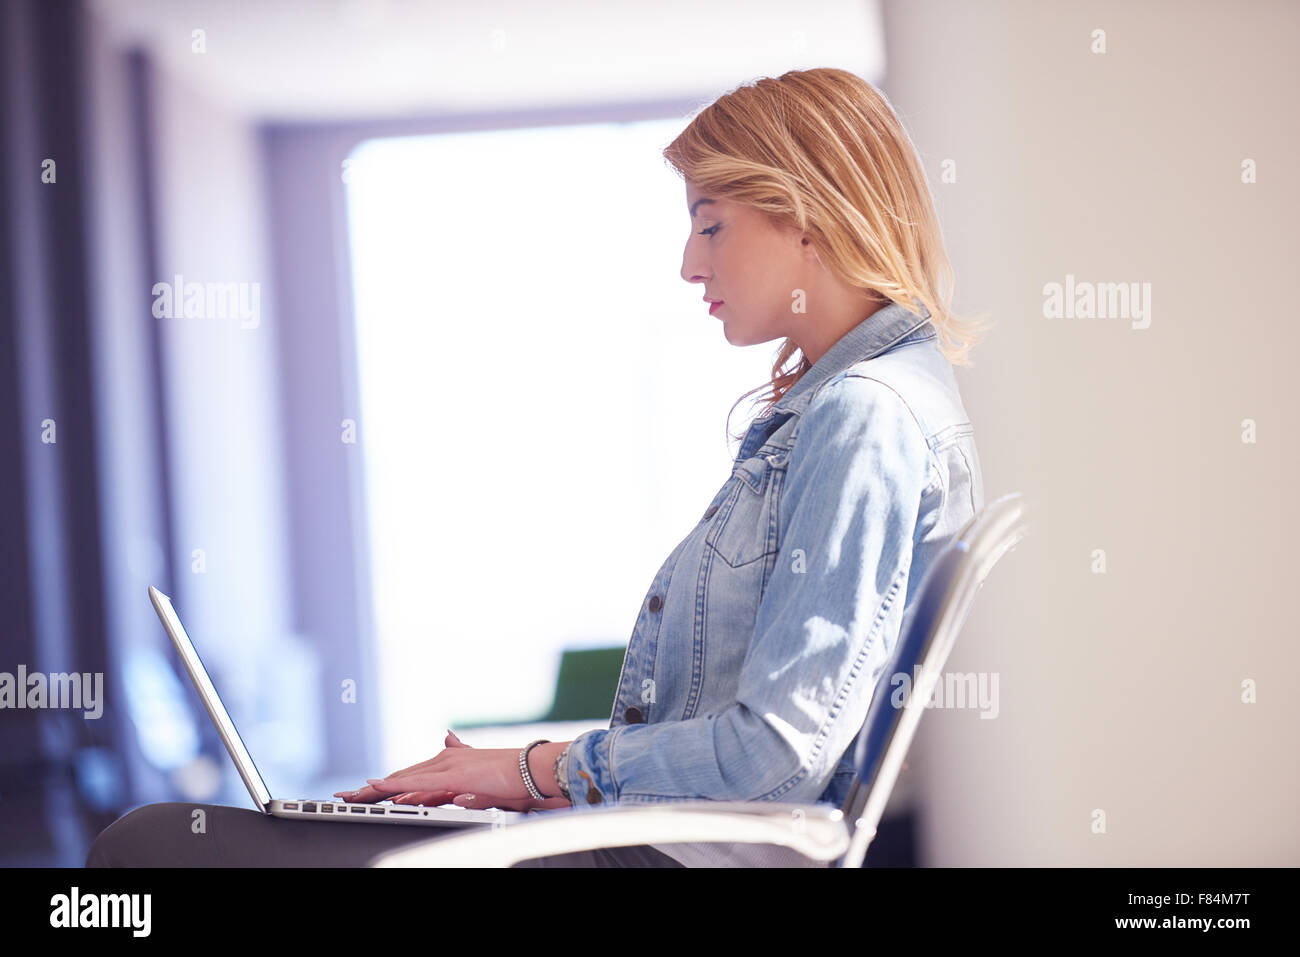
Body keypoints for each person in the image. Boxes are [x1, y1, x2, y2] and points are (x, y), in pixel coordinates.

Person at [87, 66, 987, 868]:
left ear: (807, 215)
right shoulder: (872, 404)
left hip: (675, 856)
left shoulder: (863, 416)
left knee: (156, 847)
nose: (687, 263)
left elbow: (780, 748)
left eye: (710, 225)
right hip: (664, 837)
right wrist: (532, 774)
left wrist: (531, 771)